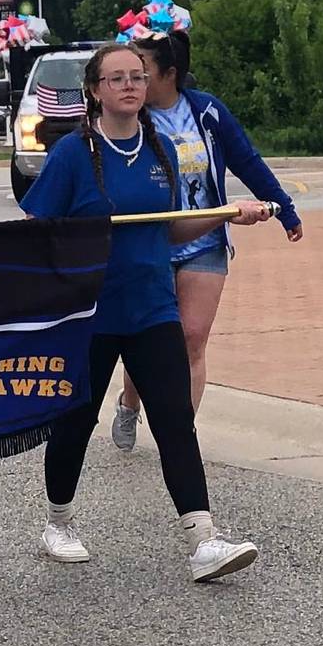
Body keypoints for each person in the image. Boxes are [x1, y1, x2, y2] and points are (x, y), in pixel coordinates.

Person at [19, 43, 276, 582]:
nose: (129, 86)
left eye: (136, 77)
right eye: (116, 79)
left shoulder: (160, 150)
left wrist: (226, 215)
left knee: (174, 420)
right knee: (75, 421)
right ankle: (57, 524)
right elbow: (35, 229)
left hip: (152, 307)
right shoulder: (73, 154)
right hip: (89, 312)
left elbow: (173, 227)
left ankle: (203, 541)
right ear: (95, 91)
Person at [111, 29, 305, 450]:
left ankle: (180, 433)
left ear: (169, 74)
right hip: (150, 243)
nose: (135, 81)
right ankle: (129, 403)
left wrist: (283, 208)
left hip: (205, 240)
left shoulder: (207, 113)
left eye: (143, 71)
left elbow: (246, 160)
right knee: (150, 337)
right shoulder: (129, 117)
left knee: (192, 336)